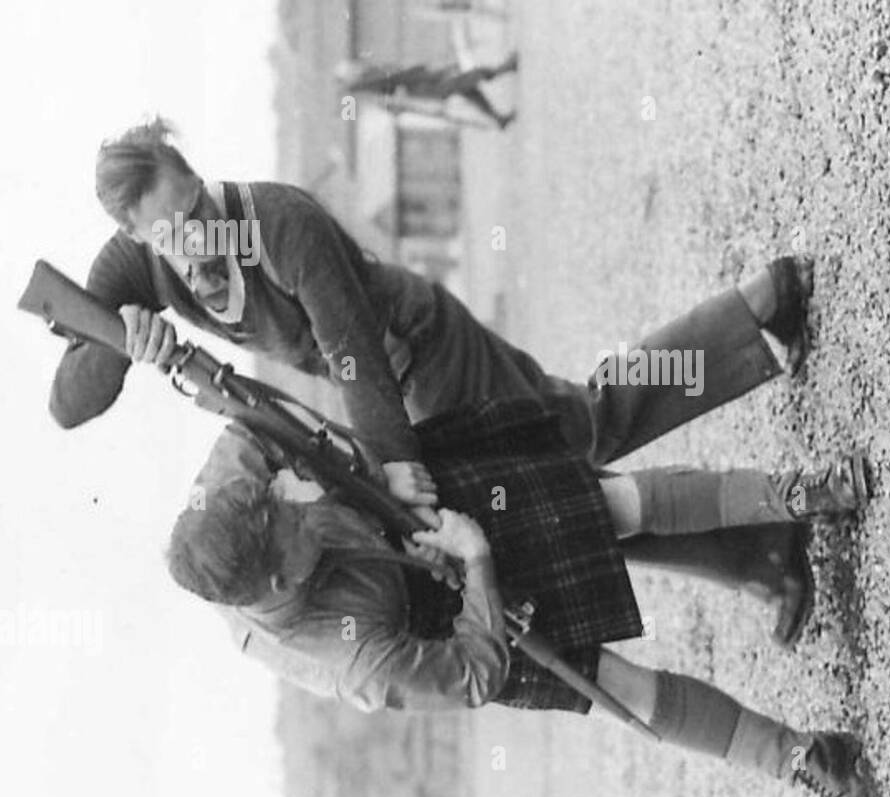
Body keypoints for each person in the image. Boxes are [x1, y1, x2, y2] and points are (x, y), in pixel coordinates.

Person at [51, 117, 824, 644]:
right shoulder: (138, 267)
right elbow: (67, 405)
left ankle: (758, 504)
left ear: (198, 178)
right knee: (569, 474)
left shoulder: (278, 225)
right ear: (133, 235)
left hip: (418, 353)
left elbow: (350, 349)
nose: (193, 239)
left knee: (576, 446)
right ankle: (757, 518)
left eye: (193, 210)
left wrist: (399, 472)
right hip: (392, 390)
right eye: (168, 233)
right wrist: (122, 339)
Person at [165, 395, 882, 797]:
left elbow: (254, 419)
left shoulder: (236, 484)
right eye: (294, 521)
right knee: (623, 693)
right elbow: (478, 672)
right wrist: (475, 559)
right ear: (282, 581)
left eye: (283, 497)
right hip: (444, 615)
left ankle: (799, 493)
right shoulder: (353, 659)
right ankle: (810, 758)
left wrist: (368, 473)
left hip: (416, 506)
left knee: (615, 505)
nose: (300, 502)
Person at [334, 53, 520, 130]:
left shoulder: (370, 75)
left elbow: (400, 71)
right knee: (468, 80)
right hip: (423, 92)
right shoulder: (367, 85)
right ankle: (505, 68)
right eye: (351, 69)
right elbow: (393, 96)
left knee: (469, 90)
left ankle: (499, 119)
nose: (355, 66)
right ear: (350, 76)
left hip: (423, 83)